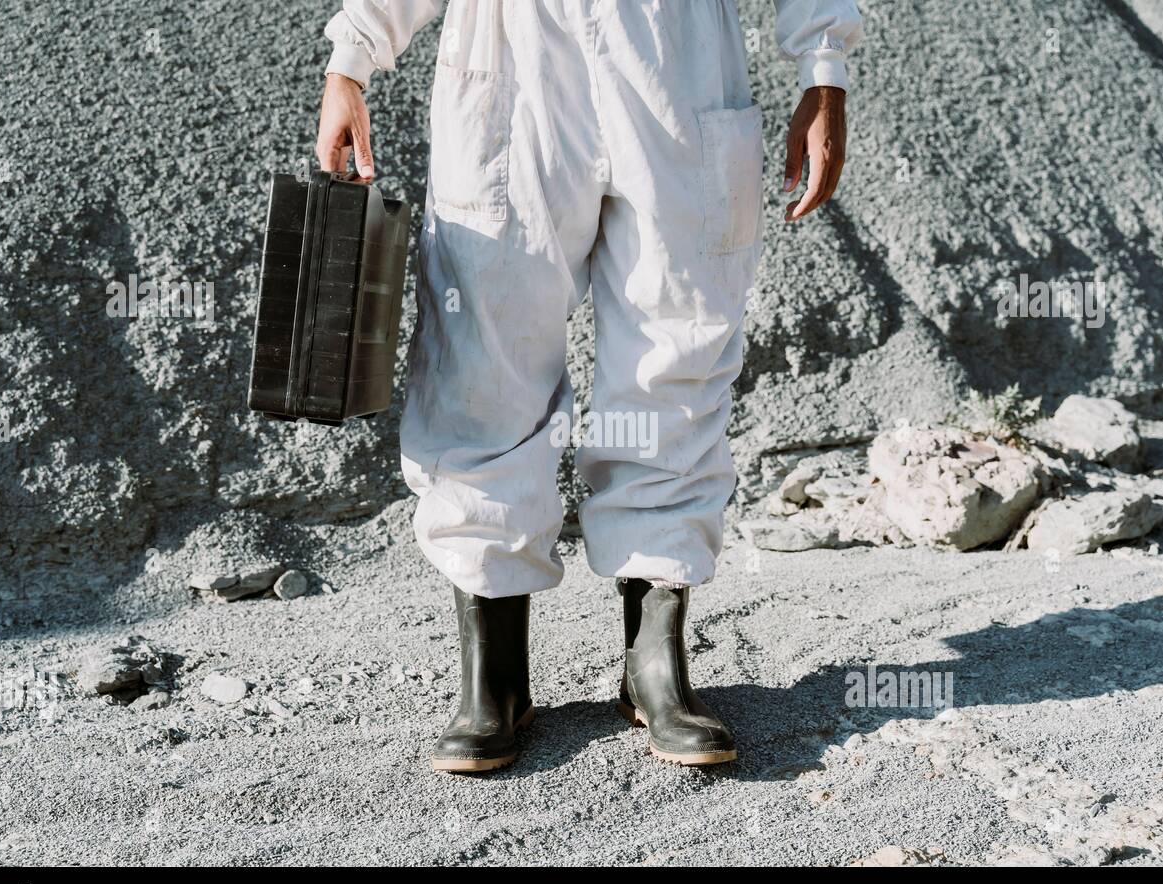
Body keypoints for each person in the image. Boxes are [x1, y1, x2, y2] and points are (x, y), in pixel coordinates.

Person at [316, 0, 862, 771]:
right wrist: (352, 57)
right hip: (512, 62)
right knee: (482, 366)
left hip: (680, 62)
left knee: (675, 360)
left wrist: (824, 66)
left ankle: (655, 667)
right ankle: (494, 679)